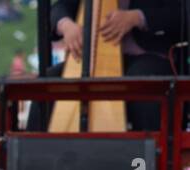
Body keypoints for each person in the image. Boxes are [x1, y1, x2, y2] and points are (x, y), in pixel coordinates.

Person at [51, 0, 186, 131]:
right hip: (96, 58)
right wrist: (66, 25)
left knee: (142, 79)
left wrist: (137, 17)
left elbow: (181, 12)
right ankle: (37, 151)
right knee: (51, 78)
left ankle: (149, 150)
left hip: (150, 57)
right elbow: (59, 7)